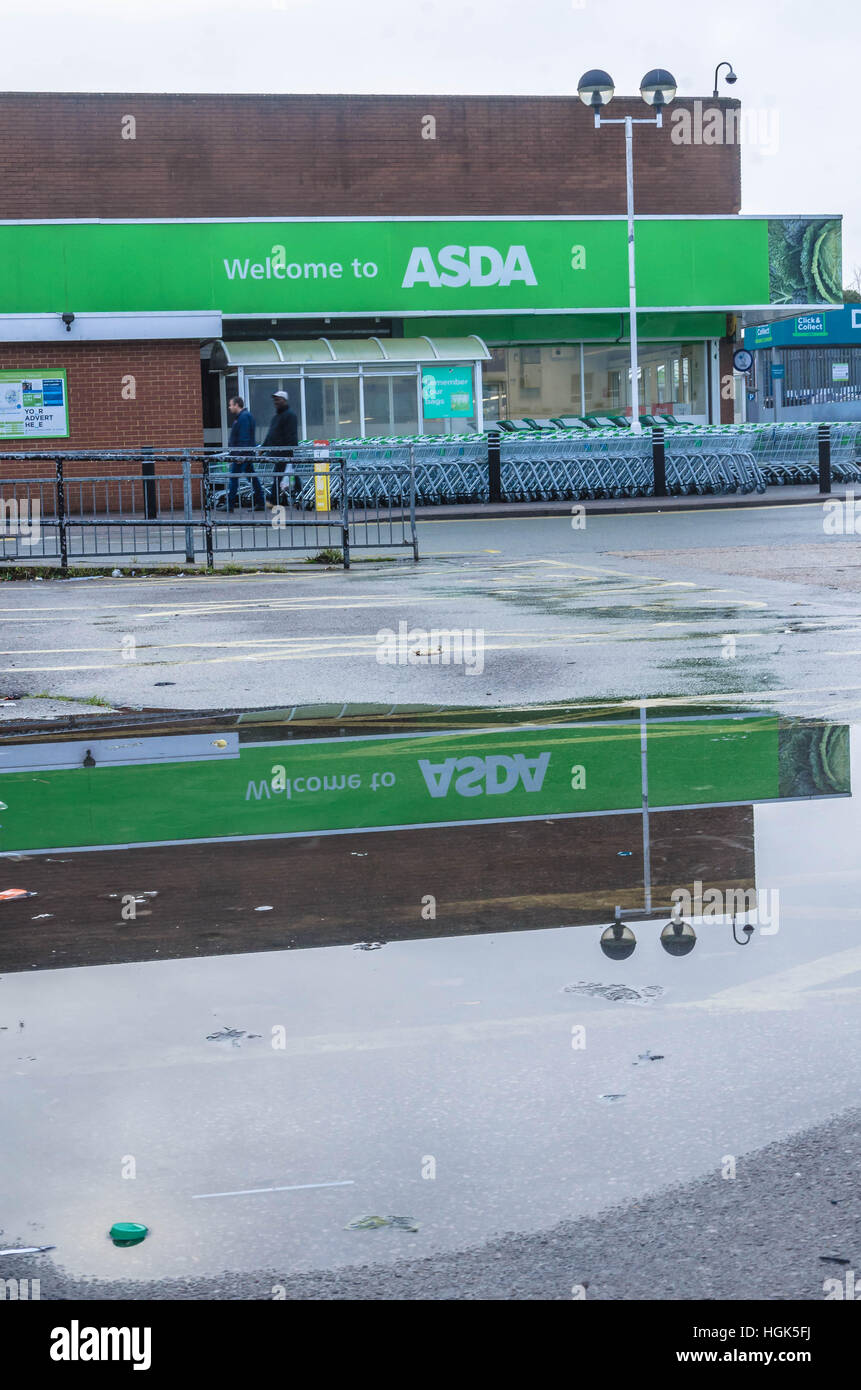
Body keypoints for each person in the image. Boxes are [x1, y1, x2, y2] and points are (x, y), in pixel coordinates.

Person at [226, 396, 265, 511]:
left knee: (234, 478)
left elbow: (244, 437)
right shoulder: (244, 416)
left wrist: (240, 455)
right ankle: (261, 502)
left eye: (231, 405)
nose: (229, 407)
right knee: (252, 477)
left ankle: (230, 505)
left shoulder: (243, 417)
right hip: (245, 453)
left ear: (237, 405)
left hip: (242, 454)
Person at [262, 390, 299, 505]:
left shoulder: (290, 415)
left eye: (278, 399)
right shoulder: (276, 417)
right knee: (287, 475)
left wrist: (289, 450)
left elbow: (291, 434)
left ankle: (273, 500)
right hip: (277, 452)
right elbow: (270, 434)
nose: (275, 402)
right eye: (275, 399)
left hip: (284, 452)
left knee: (278, 476)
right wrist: (262, 448)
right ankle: (301, 493)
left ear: (284, 400)